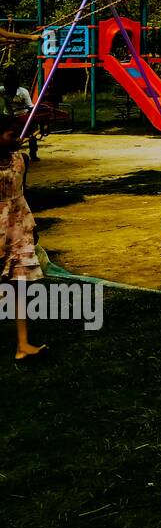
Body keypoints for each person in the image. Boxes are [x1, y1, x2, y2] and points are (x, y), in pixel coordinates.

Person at [0, 114, 45, 360]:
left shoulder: (21, 159)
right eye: (11, 134)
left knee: (20, 285)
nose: (17, 138)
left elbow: (22, 193)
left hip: (18, 226)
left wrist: (31, 225)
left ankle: (23, 344)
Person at [3, 78, 38, 160]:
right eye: (6, 88)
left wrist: (28, 113)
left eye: (10, 88)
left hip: (22, 115)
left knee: (31, 134)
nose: (8, 90)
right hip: (8, 115)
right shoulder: (2, 90)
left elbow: (30, 106)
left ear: (16, 87)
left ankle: (33, 153)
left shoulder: (23, 92)